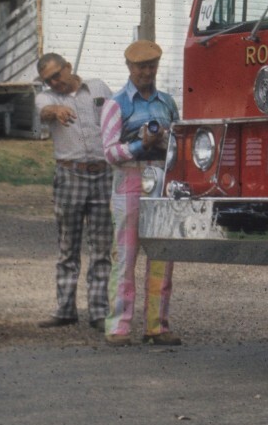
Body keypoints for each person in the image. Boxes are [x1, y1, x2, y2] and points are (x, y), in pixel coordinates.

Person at [101, 39, 181, 345]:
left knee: (163, 255)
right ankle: (118, 328)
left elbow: (179, 139)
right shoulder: (116, 104)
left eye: (152, 66)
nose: (147, 72)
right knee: (125, 255)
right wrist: (139, 144)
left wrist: (164, 143)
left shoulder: (167, 103)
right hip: (128, 180)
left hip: (162, 180)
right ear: (129, 67)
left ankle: (157, 326)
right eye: (141, 67)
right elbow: (109, 152)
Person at [34, 53, 114, 330]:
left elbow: (117, 116)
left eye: (57, 74)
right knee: (68, 247)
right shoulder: (47, 98)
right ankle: (65, 309)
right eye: (48, 80)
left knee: (102, 248)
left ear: (68, 67)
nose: (55, 82)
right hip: (69, 176)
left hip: (104, 175)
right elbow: (44, 112)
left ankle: (99, 312)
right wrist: (56, 112)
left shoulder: (98, 88)